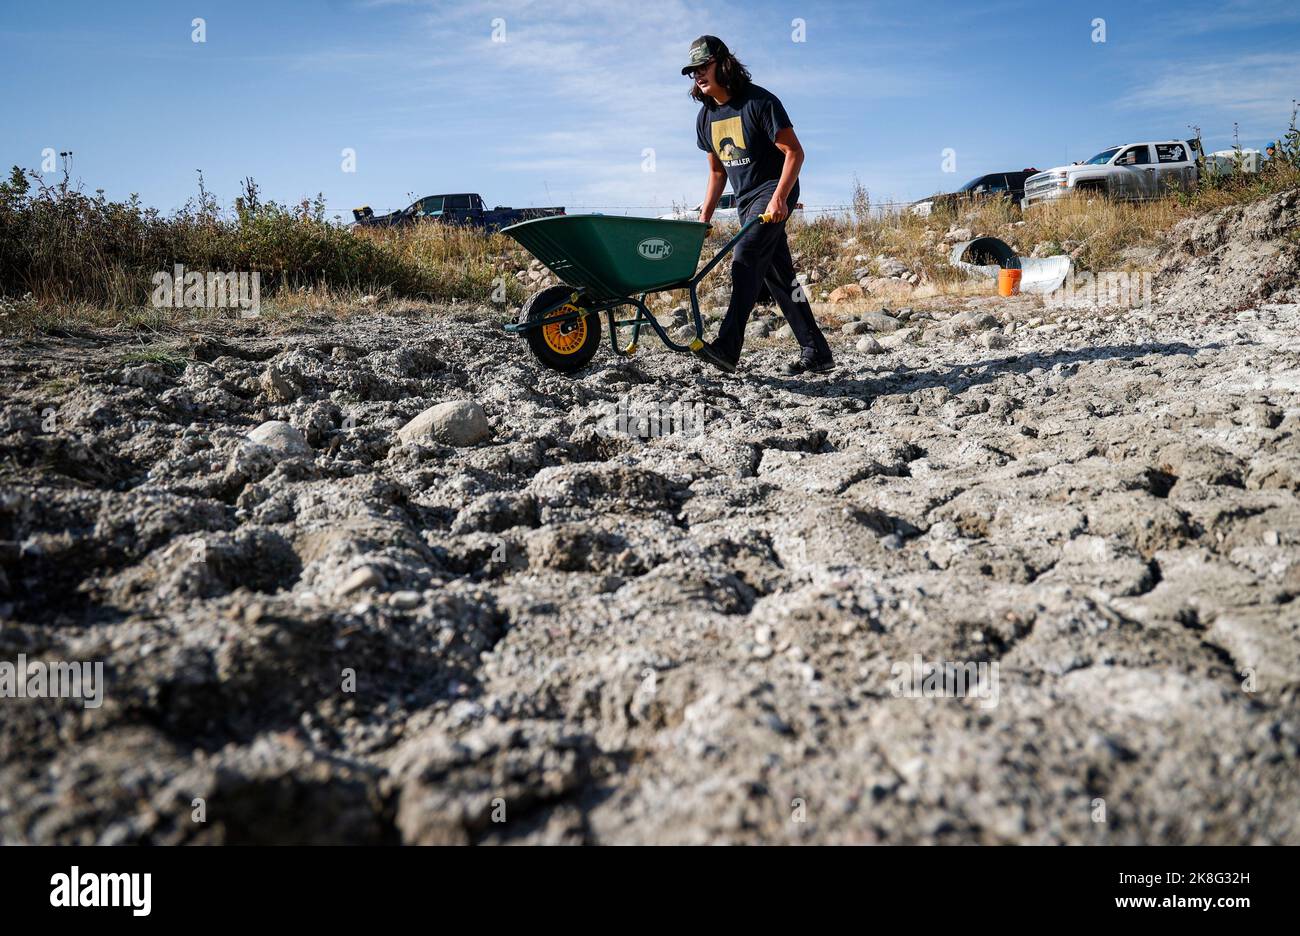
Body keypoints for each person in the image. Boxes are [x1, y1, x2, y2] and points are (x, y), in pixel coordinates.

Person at [682, 35, 834, 375]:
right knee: (780, 277)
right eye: (693, 72)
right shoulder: (705, 117)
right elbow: (717, 172)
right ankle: (817, 350)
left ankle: (727, 347)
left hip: (775, 191)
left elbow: (795, 153)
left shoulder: (760, 102)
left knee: (746, 256)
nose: (698, 76)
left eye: (703, 67)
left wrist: (781, 197)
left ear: (723, 64)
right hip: (748, 202)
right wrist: (704, 218)